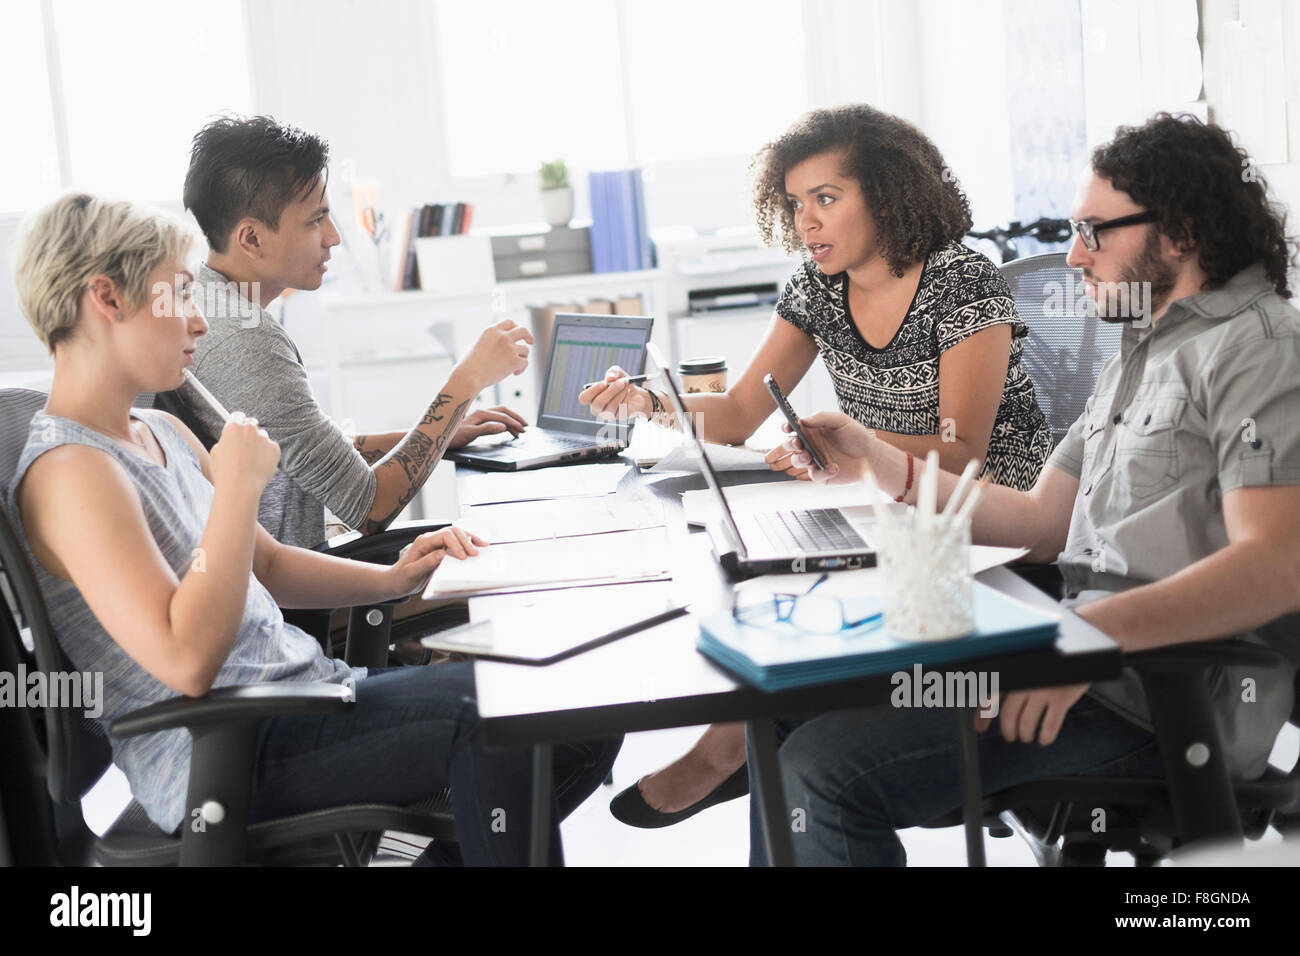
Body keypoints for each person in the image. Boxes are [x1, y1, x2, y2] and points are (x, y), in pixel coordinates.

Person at [7, 192, 619, 865]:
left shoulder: (160, 429)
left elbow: (264, 563)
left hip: (302, 697)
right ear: (107, 298)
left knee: (576, 707)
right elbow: (186, 659)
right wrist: (238, 490)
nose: (199, 323)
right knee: (498, 711)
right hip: (224, 751)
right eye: (180, 294)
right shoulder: (70, 473)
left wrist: (392, 577)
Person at [772, 113, 1300, 865]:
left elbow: (1276, 564)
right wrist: (877, 462)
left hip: (1156, 700)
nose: (1074, 255)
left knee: (824, 770)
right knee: (794, 712)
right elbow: (1044, 521)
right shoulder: (1145, 347)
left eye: (1094, 231)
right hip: (1080, 658)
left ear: (1180, 232)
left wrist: (1083, 646)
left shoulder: (1260, 351)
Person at [580, 104, 1052, 827]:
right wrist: (648, 403)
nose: (807, 222)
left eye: (826, 199)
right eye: (797, 204)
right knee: (761, 568)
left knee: (804, 590)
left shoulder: (963, 282)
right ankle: (744, 735)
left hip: (985, 519)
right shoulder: (817, 287)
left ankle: (738, 742)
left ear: (890, 195)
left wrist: (853, 447)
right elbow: (738, 412)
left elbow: (964, 454)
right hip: (879, 505)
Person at [173, 114, 533, 551]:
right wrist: (469, 379)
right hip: (295, 599)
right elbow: (370, 507)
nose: (334, 237)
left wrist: (438, 432)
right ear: (251, 238)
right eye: (316, 220)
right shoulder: (245, 341)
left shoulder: (207, 300)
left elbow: (303, 450)